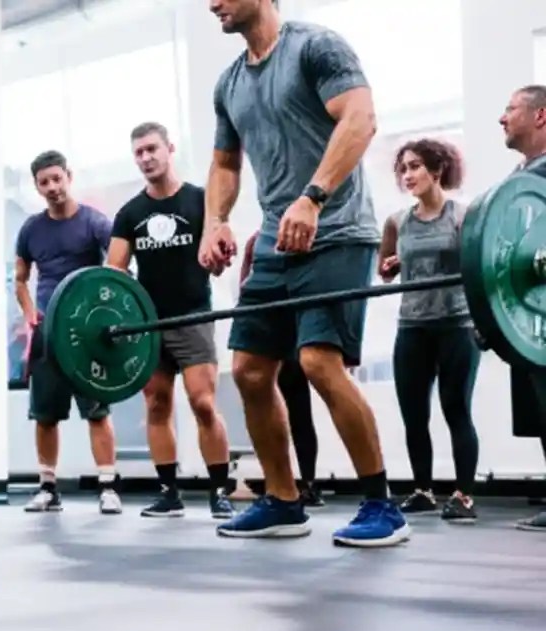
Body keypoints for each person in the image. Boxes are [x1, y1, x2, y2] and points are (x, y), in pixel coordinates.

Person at [199, 0, 408, 547]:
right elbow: (225, 163)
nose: (212, 4)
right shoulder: (228, 83)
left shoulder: (315, 47)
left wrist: (313, 198)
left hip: (337, 230)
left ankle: (381, 505)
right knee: (248, 370)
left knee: (318, 361)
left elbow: (360, 119)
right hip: (276, 239)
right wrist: (215, 221)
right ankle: (283, 500)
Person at [108, 124, 235, 520]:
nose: (146, 158)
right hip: (149, 324)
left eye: (152, 149)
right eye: (139, 153)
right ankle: (169, 493)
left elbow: (217, 258)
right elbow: (114, 271)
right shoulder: (130, 214)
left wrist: (219, 258)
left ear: (170, 149)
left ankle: (220, 491)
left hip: (194, 314)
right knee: (156, 404)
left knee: (203, 402)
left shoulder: (199, 200)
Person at [378, 138, 480, 523]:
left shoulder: (462, 216)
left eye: (415, 166)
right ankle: (423, 491)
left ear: (437, 170)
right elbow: (384, 271)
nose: (408, 175)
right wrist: (390, 267)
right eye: (403, 169)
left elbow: (477, 268)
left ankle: (463, 495)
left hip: (456, 325)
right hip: (413, 327)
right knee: (414, 414)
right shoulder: (397, 222)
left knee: (456, 408)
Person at [13, 150, 119, 514]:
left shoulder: (94, 222)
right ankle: (48, 488)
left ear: (68, 177)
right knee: (45, 414)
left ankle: (108, 487)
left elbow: (118, 265)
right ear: (37, 187)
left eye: (57, 179)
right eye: (44, 182)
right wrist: (30, 314)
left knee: (97, 411)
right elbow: (21, 279)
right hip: (48, 331)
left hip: (88, 332)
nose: (52, 187)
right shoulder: (31, 229)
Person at [240, 232, 323, 508]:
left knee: (300, 412)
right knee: (265, 408)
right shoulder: (257, 242)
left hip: (295, 334)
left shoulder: (304, 234)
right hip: (268, 335)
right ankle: (276, 483)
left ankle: (308, 483)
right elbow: (246, 286)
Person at [499, 84, 546, 533]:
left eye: (511, 109)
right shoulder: (519, 181)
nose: (502, 117)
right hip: (534, 316)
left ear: (540, 116)